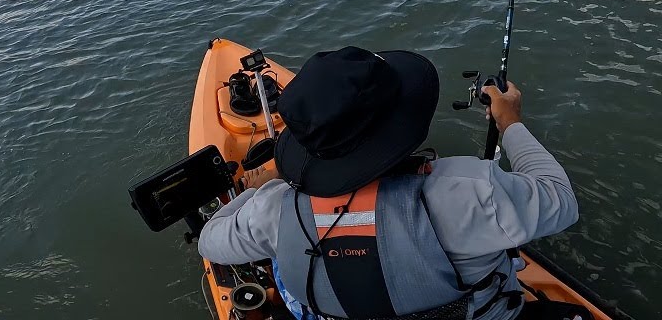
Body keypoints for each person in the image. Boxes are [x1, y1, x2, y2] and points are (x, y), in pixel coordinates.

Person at [198, 46, 579, 320]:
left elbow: (209, 239)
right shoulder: (469, 192)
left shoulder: (272, 210)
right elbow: (561, 198)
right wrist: (509, 122)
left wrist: (261, 184)